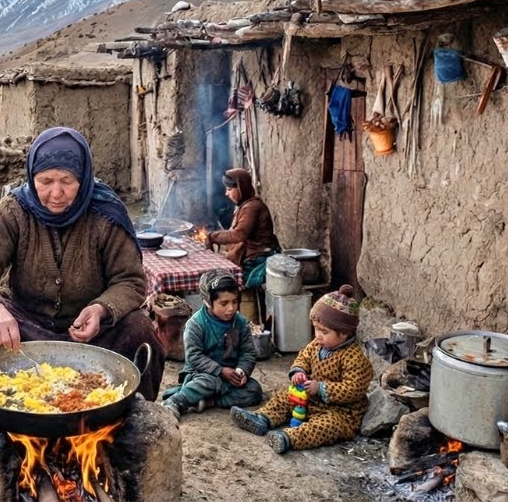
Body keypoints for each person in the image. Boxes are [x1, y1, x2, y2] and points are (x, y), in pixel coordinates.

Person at [0, 127, 165, 400]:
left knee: (140, 330)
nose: (56, 193)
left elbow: (130, 281)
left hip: (90, 332)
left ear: (83, 177)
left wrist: (101, 309)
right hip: (25, 328)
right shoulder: (14, 211)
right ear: (32, 177)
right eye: (45, 181)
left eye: (67, 181)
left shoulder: (106, 214)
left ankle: (133, 420)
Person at [229, 285, 373, 454]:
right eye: (316, 329)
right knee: (284, 397)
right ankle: (262, 418)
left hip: (340, 411)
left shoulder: (354, 357)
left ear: (344, 334)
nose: (318, 335)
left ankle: (288, 438)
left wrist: (320, 388)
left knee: (326, 427)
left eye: (324, 331)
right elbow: (303, 358)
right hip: (310, 400)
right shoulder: (316, 345)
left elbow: (354, 388)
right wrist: (299, 372)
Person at [159, 271, 263, 416]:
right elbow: (194, 357)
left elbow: (248, 352)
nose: (231, 308)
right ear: (208, 302)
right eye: (224, 303)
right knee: (210, 382)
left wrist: (242, 371)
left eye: (234, 301)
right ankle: (176, 401)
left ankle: (206, 401)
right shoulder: (196, 324)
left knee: (254, 390)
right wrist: (220, 371)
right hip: (201, 374)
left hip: (229, 377)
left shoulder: (241, 323)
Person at [206, 168, 280, 289]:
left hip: (258, 256)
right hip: (253, 253)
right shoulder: (245, 205)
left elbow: (239, 234)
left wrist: (213, 236)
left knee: (224, 281)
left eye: (229, 189)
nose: (226, 193)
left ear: (241, 188)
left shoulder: (251, 207)